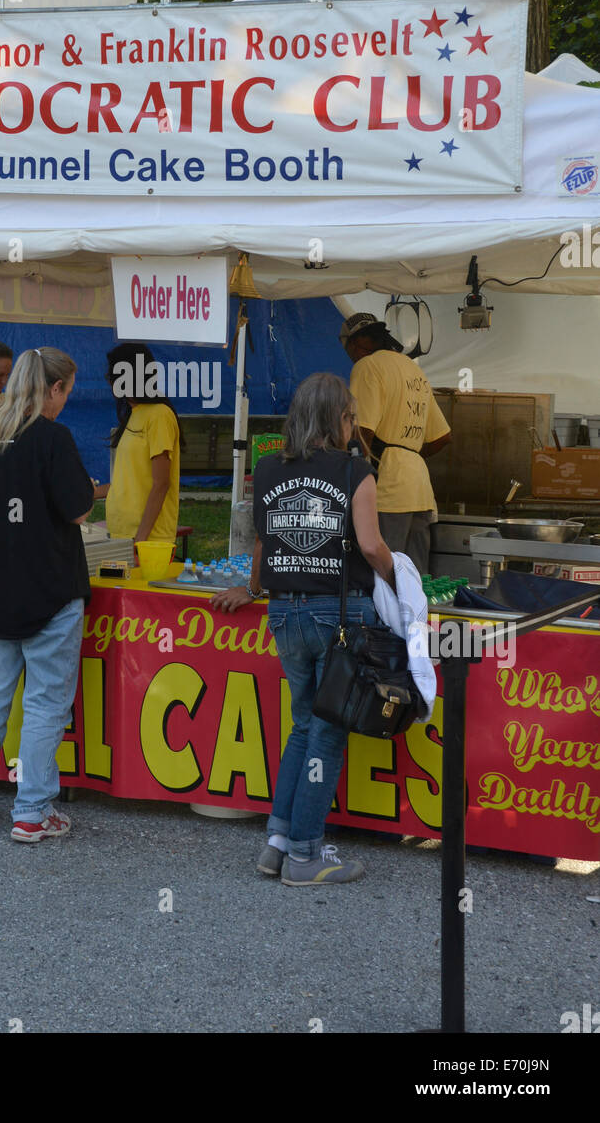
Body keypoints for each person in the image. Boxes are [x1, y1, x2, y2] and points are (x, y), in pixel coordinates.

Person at [211, 373, 396, 886]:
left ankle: (277, 841)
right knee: (328, 732)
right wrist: (404, 584)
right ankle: (306, 854)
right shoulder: (355, 470)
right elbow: (372, 545)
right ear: (340, 419)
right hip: (338, 616)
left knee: (303, 724)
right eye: (350, 418)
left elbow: (262, 546)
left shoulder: (269, 468)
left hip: (285, 614)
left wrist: (253, 588)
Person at [0, 347, 94, 843]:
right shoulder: (53, 438)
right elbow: (77, 510)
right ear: (53, 389)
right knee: (45, 704)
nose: (66, 402)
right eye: (66, 392)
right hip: (49, 588)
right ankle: (32, 812)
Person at [339, 312, 451, 575]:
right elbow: (443, 437)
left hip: (388, 490)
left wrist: (349, 479)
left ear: (357, 344)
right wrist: (406, 453)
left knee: (381, 578)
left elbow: (361, 432)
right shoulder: (414, 369)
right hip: (420, 488)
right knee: (415, 580)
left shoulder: (367, 366)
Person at [93, 342, 182, 544]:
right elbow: (129, 483)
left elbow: (161, 483)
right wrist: (88, 493)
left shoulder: (159, 416)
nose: (109, 381)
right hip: (120, 534)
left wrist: (140, 539)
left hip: (146, 540)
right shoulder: (134, 414)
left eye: (113, 375)